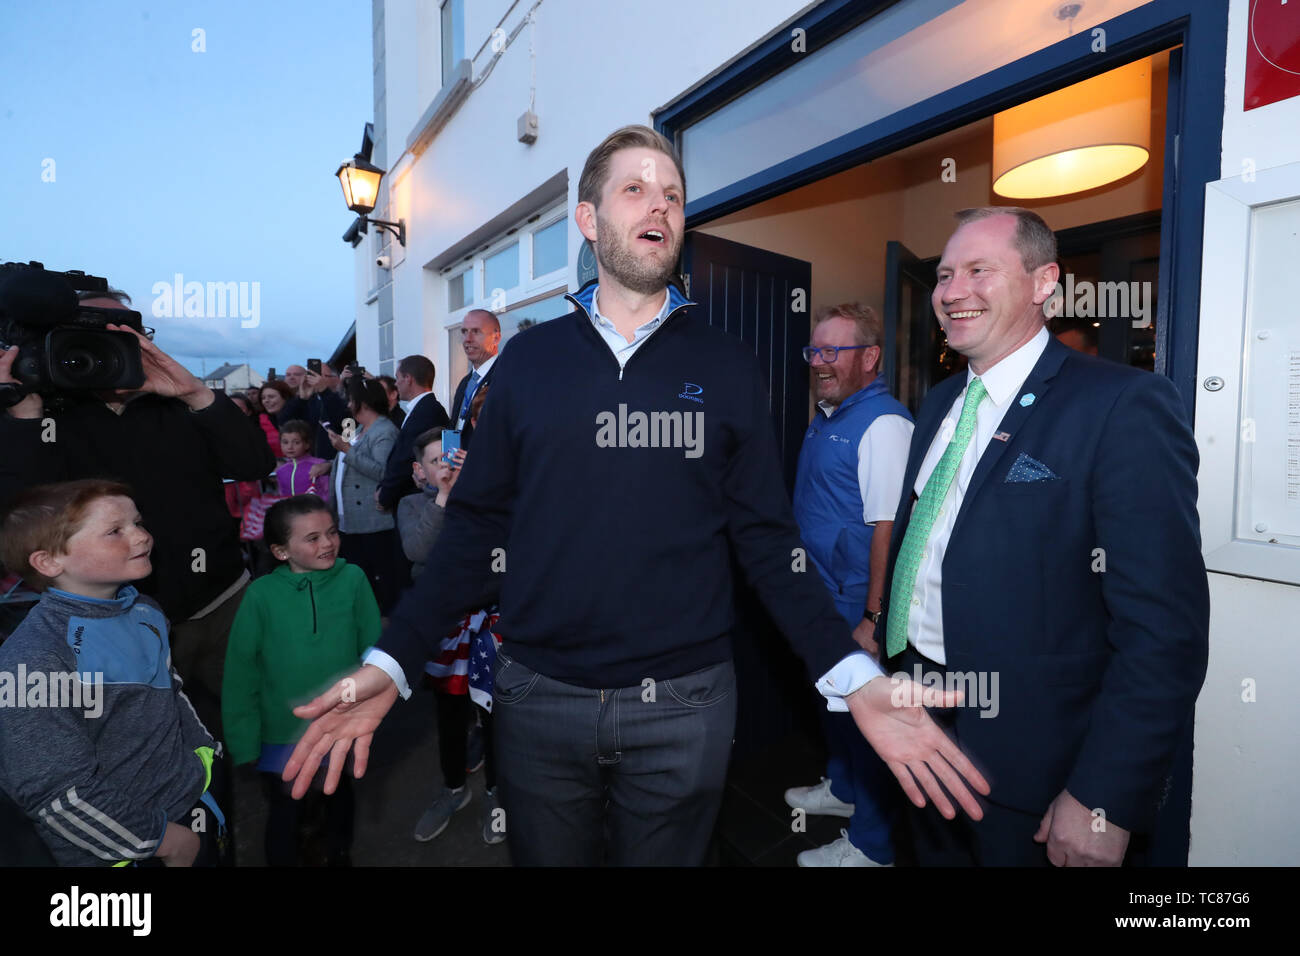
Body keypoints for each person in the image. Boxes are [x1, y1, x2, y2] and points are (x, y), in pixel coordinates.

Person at [283, 125, 990, 866]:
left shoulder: (729, 367)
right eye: (636, 188)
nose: (661, 204)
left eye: (674, 195)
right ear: (588, 220)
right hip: (538, 699)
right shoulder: (528, 363)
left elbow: (767, 543)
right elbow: (474, 532)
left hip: (684, 708)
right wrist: (393, 662)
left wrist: (852, 674)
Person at [879, 207, 1209, 866]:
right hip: (916, 724)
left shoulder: (1121, 405)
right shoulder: (940, 402)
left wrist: (1103, 795)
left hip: (1036, 772)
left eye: (979, 270)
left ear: (1042, 282)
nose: (951, 291)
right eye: (944, 275)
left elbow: (1162, 628)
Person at [0, 289, 276, 747]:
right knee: (156, 746)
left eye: (124, 332)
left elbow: (253, 464)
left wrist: (196, 393)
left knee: (249, 722)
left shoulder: (178, 403)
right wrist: (25, 420)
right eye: (91, 336)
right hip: (118, 622)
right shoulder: (45, 417)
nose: (111, 346)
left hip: (222, 603)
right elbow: (23, 516)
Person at [0, 480, 225, 866]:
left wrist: (205, 755)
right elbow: (56, 794)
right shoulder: (33, 657)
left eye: (137, 522)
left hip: (189, 804)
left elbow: (168, 690)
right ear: (50, 561)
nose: (142, 536)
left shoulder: (144, 610)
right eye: (115, 531)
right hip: (124, 850)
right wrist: (163, 841)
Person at [786, 302, 914, 868]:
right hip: (820, 597)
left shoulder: (884, 424)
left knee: (867, 727)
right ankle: (841, 792)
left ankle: (874, 847)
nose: (820, 361)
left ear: (870, 357)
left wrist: (873, 618)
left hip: (856, 605)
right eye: (815, 350)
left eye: (833, 351)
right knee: (833, 709)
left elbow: (888, 528)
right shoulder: (828, 414)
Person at [221, 495, 378, 866]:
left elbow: (374, 651)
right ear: (279, 551)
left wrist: (368, 710)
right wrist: (244, 741)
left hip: (339, 725)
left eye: (332, 533)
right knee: (286, 809)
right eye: (312, 538)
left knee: (338, 794)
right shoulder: (260, 596)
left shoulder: (353, 578)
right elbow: (241, 671)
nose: (327, 544)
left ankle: (339, 852)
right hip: (282, 731)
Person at [396, 428, 500, 844]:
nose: (447, 467)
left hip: (490, 623)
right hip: (443, 627)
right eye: (438, 461)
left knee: (496, 715)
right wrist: (444, 498)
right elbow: (418, 551)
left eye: (454, 459)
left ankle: (497, 792)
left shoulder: (488, 504)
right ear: (419, 471)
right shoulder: (412, 503)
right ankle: (453, 789)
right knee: (450, 715)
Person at [312, 380, 401, 613]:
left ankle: (382, 626)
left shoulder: (385, 431)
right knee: (357, 577)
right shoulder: (358, 429)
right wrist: (329, 465)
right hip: (349, 519)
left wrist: (346, 450)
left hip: (373, 522)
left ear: (364, 402)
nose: (349, 405)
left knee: (379, 580)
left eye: (352, 400)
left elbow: (382, 471)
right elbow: (346, 461)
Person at [376, 355, 451, 512]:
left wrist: (385, 496)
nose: (396, 384)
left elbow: (406, 459)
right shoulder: (423, 409)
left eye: (397, 378)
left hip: (418, 502)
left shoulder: (426, 411)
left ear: (408, 378)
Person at [450, 310, 501, 448]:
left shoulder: (506, 377)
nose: (468, 338)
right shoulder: (465, 383)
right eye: (464, 331)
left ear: (496, 338)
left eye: (476, 331)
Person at [281, 366, 348, 462]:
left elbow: (346, 425)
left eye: (321, 376)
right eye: (312, 375)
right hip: (309, 463)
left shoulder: (345, 400)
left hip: (337, 461)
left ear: (336, 379)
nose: (316, 379)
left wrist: (325, 392)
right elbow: (284, 423)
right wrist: (301, 400)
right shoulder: (307, 400)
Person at [275, 420, 329, 499]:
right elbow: (282, 496)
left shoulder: (319, 465)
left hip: (315, 510)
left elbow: (328, 492)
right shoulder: (281, 471)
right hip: (291, 511)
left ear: (307, 444)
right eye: (285, 442)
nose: (290, 447)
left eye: (296, 442)